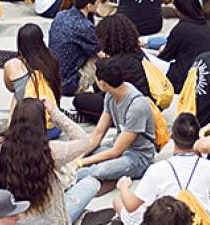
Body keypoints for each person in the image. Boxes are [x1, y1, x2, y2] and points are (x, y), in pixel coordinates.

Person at [65, 58, 161, 223]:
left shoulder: (136, 105)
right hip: (119, 144)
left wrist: (80, 164)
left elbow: (116, 151)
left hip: (138, 155)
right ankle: (72, 177)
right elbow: (97, 134)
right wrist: (78, 156)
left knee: (98, 170)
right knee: (93, 155)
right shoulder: (110, 96)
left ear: (102, 83)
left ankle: (68, 180)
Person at [113, 112, 210, 225]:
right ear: (198, 138)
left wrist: (123, 187)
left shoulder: (157, 169)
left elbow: (131, 206)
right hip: (201, 220)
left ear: (171, 136)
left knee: (118, 201)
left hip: (167, 219)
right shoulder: (209, 165)